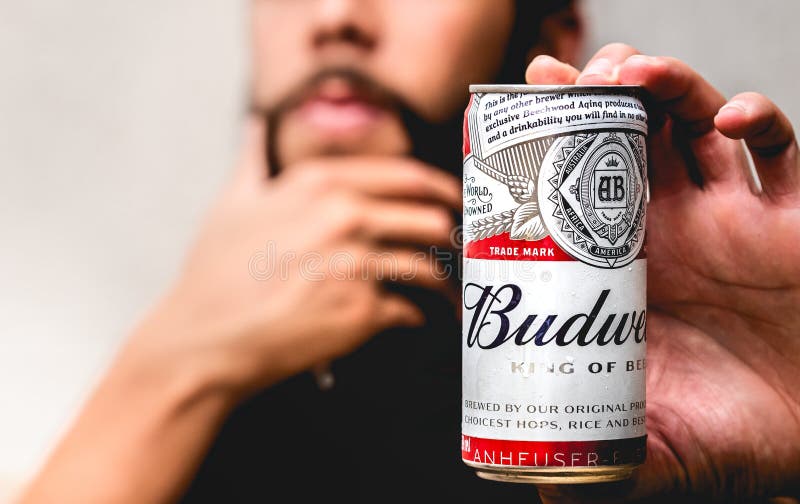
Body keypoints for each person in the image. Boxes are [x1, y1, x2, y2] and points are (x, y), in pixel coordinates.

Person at [18, 1, 800, 502]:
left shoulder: (652, 406)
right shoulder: (184, 368)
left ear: (551, 32)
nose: (335, 16)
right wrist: (172, 363)